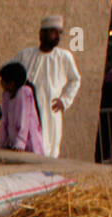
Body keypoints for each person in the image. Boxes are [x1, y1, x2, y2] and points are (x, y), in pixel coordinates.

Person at [12, 15, 81, 158]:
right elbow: (8, 74)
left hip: (50, 111)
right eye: (53, 32)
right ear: (42, 33)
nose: (57, 36)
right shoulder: (25, 55)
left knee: (48, 150)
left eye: (59, 33)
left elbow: (75, 80)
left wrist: (65, 100)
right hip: (26, 111)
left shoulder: (64, 57)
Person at [0, 62, 45, 155]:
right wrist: (3, 142)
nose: (0, 83)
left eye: (3, 80)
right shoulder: (6, 95)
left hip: (28, 140)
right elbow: (4, 119)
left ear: (12, 84)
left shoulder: (24, 92)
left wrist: (20, 141)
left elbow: (24, 119)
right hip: (13, 141)